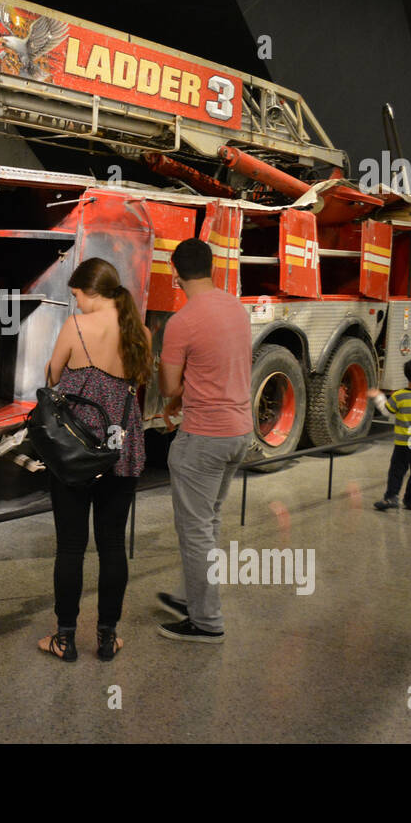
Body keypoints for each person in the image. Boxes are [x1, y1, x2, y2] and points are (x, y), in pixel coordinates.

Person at [37, 258, 149, 662]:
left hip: (76, 453)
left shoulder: (76, 328)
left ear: (90, 292)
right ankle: (107, 637)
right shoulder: (141, 332)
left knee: (70, 546)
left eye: (77, 296)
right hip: (121, 451)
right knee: (113, 545)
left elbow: (52, 377)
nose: (77, 304)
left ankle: (65, 639)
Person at [154, 238, 252, 644]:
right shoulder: (236, 308)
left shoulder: (182, 322)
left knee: (195, 531)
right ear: (211, 267)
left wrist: (167, 383)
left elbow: (170, 384)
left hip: (204, 438)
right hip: (238, 433)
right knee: (208, 524)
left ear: (176, 272)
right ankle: (193, 598)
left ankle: (206, 622)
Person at [369, 357, 411, 512]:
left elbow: (387, 411)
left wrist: (378, 396)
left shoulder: (399, 396)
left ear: (406, 375)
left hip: (403, 442)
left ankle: (391, 496)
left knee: (397, 469)